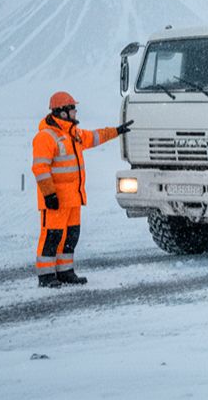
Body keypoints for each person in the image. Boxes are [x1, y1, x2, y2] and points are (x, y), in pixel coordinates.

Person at [32, 91, 133, 287]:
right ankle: (46, 276)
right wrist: (49, 194)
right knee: (52, 236)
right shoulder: (46, 137)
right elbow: (40, 168)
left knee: (70, 237)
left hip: (73, 199)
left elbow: (95, 137)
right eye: (73, 109)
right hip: (55, 200)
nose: (76, 112)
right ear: (62, 112)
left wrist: (117, 131)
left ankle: (65, 272)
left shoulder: (73, 134)